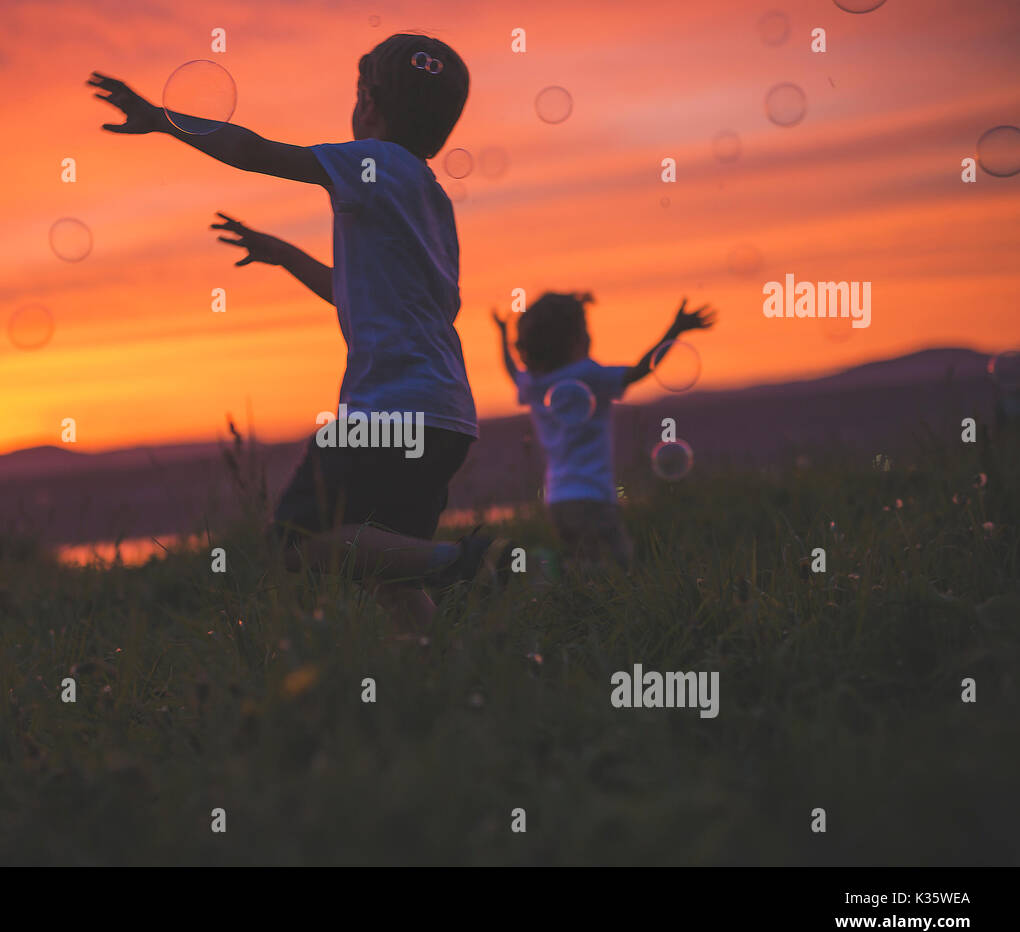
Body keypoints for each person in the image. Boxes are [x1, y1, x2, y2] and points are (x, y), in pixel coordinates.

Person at [90, 34, 488, 632]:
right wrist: (282, 253)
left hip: (388, 411)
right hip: (447, 418)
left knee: (296, 542)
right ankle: (447, 664)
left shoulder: (369, 163)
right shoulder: (430, 199)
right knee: (387, 567)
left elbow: (254, 150)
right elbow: (356, 292)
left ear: (370, 103)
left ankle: (457, 561)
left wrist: (161, 120)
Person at [494, 292, 715, 571]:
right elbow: (639, 371)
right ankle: (547, 571)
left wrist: (501, 334)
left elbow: (511, 370)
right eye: (585, 329)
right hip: (593, 496)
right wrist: (676, 329)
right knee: (621, 563)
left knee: (585, 561)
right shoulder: (589, 374)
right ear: (576, 340)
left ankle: (550, 573)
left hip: (558, 500)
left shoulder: (534, 384)